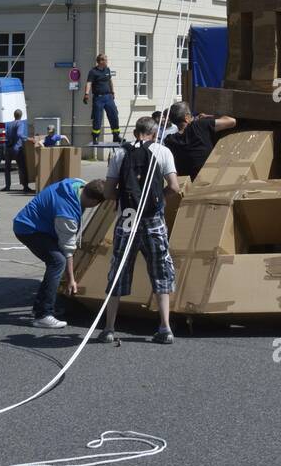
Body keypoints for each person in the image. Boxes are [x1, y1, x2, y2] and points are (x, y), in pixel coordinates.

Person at [100, 117, 180, 345]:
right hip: (153, 220)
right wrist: (156, 202)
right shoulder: (163, 152)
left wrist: (128, 200)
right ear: (154, 133)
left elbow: (107, 192)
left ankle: (108, 328)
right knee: (160, 269)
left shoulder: (120, 154)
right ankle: (164, 327)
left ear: (136, 133)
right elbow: (174, 187)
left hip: (127, 219)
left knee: (119, 269)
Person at [13, 177, 106, 328]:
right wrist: (71, 280)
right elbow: (67, 249)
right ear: (95, 202)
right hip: (29, 230)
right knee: (58, 262)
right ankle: (43, 315)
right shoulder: (67, 213)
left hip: (38, 226)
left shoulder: (77, 184)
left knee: (56, 262)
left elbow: (97, 185)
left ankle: (39, 308)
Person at [168, 102, 237, 181]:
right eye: (191, 115)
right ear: (186, 118)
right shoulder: (200, 126)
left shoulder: (169, 140)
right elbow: (232, 121)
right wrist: (208, 116)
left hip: (188, 183)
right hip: (210, 179)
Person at [82, 54, 122, 147]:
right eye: (105, 60)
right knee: (97, 118)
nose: (107, 61)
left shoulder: (107, 70)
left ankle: (116, 136)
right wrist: (86, 94)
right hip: (98, 98)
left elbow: (110, 81)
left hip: (108, 97)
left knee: (114, 115)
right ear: (100, 61)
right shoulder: (93, 72)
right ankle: (95, 137)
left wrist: (112, 92)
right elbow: (89, 83)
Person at [2, 108, 29, 192]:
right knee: (22, 167)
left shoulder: (9, 124)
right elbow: (19, 134)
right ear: (21, 116)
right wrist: (28, 138)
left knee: (7, 168)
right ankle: (25, 186)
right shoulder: (20, 124)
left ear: (14, 115)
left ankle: (7, 186)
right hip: (17, 148)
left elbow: (5, 135)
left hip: (8, 148)